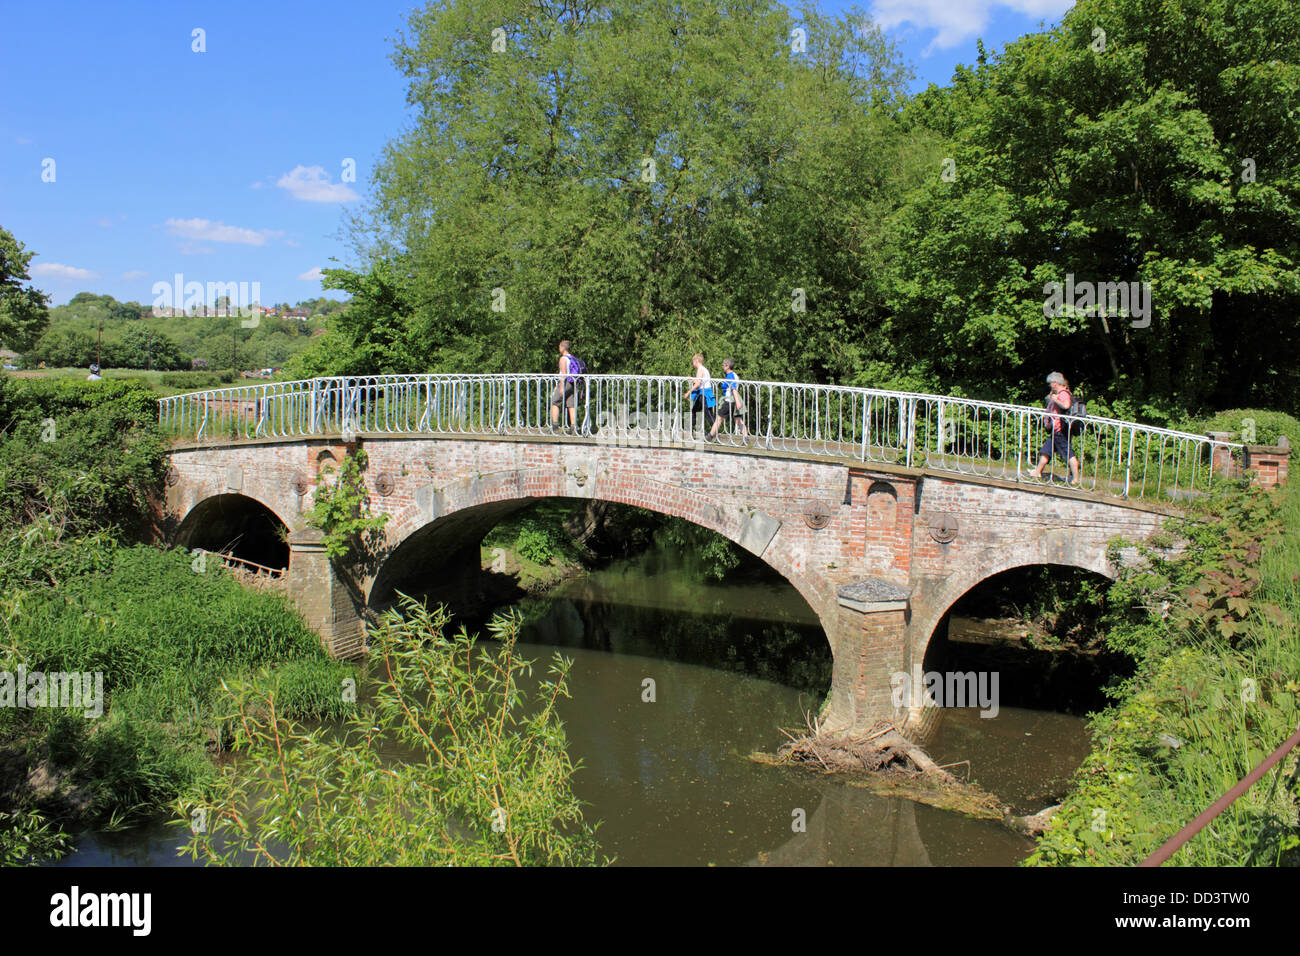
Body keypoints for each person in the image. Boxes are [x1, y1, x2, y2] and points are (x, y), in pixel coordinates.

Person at [1027, 371, 1080, 485]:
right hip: (1056, 430)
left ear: (1055, 383)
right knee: (1046, 451)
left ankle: (1075, 479)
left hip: (1060, 430)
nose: (1050, 386)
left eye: (1050, 383)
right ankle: (1037, 471)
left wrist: (1055, 399)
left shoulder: (1063, 394)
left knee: (1069, 454)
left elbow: (1065, 405)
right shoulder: (1058, 393)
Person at [708, 358, 748, 441]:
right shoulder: (734, 374)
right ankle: (746, 438)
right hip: (734, 399)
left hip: (730, 400)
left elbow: (734, 389)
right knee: (738, 420)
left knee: (719, 418)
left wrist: (737, 402)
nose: (722, 366)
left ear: (727, 366)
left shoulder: (730, 376)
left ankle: (710, 436)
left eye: (723, 365)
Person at [549, 340, 583, 431]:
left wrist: (560, 387)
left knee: (554, 401)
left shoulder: (563, 359)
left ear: (563, 348)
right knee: (571, 404)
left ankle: (555, 425)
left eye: (559, 347)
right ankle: (573, 426)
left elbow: (564, 374)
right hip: (573, 383)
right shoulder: (572, 358)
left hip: (566, 383)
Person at [684, 353, 716, 435]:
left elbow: (698, 384)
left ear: (696, 361)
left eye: (693, 362)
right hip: (704, 393)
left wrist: (688, 392)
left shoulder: (700, 369)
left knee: (707, 413)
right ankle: (690, 430)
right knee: (697, 411)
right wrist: (692, 379)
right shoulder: (704, 369)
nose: (692, 364)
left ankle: (714, 433)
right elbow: (700, 382)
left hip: (704, 394)